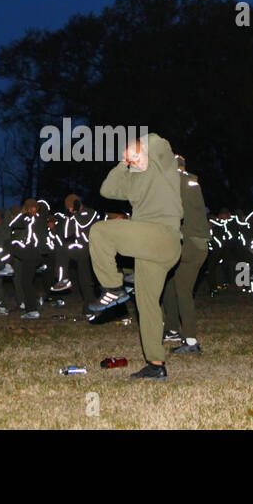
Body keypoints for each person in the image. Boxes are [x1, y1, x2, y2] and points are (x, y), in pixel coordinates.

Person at [88, 133, 183, 380]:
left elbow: (159, 141)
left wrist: (138, 146)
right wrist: (123, 163)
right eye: (132, 159)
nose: (136, 160)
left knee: (99, 231)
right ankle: (156, 364)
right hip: (148, 247)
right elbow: (106, 189)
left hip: (164, 236)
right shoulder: (132, 179)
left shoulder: (162, 164)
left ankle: (112, 287)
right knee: (147, 304)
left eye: (138, 155)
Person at [163, 156, 207, 353]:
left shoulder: (177, 182)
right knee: (172, 283)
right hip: (199, 244)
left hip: (188, 243)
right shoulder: (191, 182)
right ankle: (173, 329)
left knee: (179, 288)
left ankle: (190, 341)